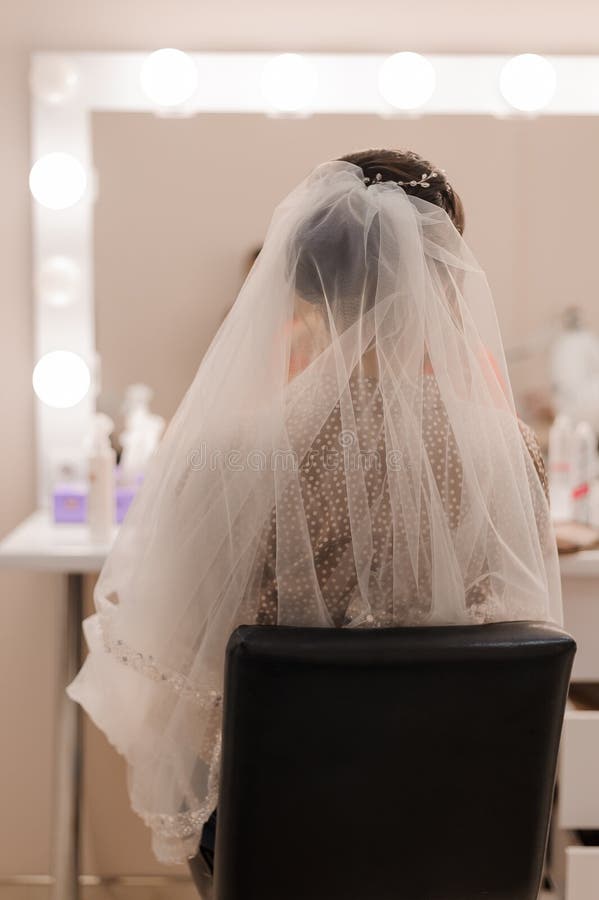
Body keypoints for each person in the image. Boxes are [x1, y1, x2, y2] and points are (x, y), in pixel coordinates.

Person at [67, 148, 562, 870]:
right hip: (448, 822)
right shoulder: (509, 451)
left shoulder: (221, 455)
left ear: (298, 284)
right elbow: (513, 635)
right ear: (446, 280)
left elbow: (174, 663)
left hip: (276, 826)